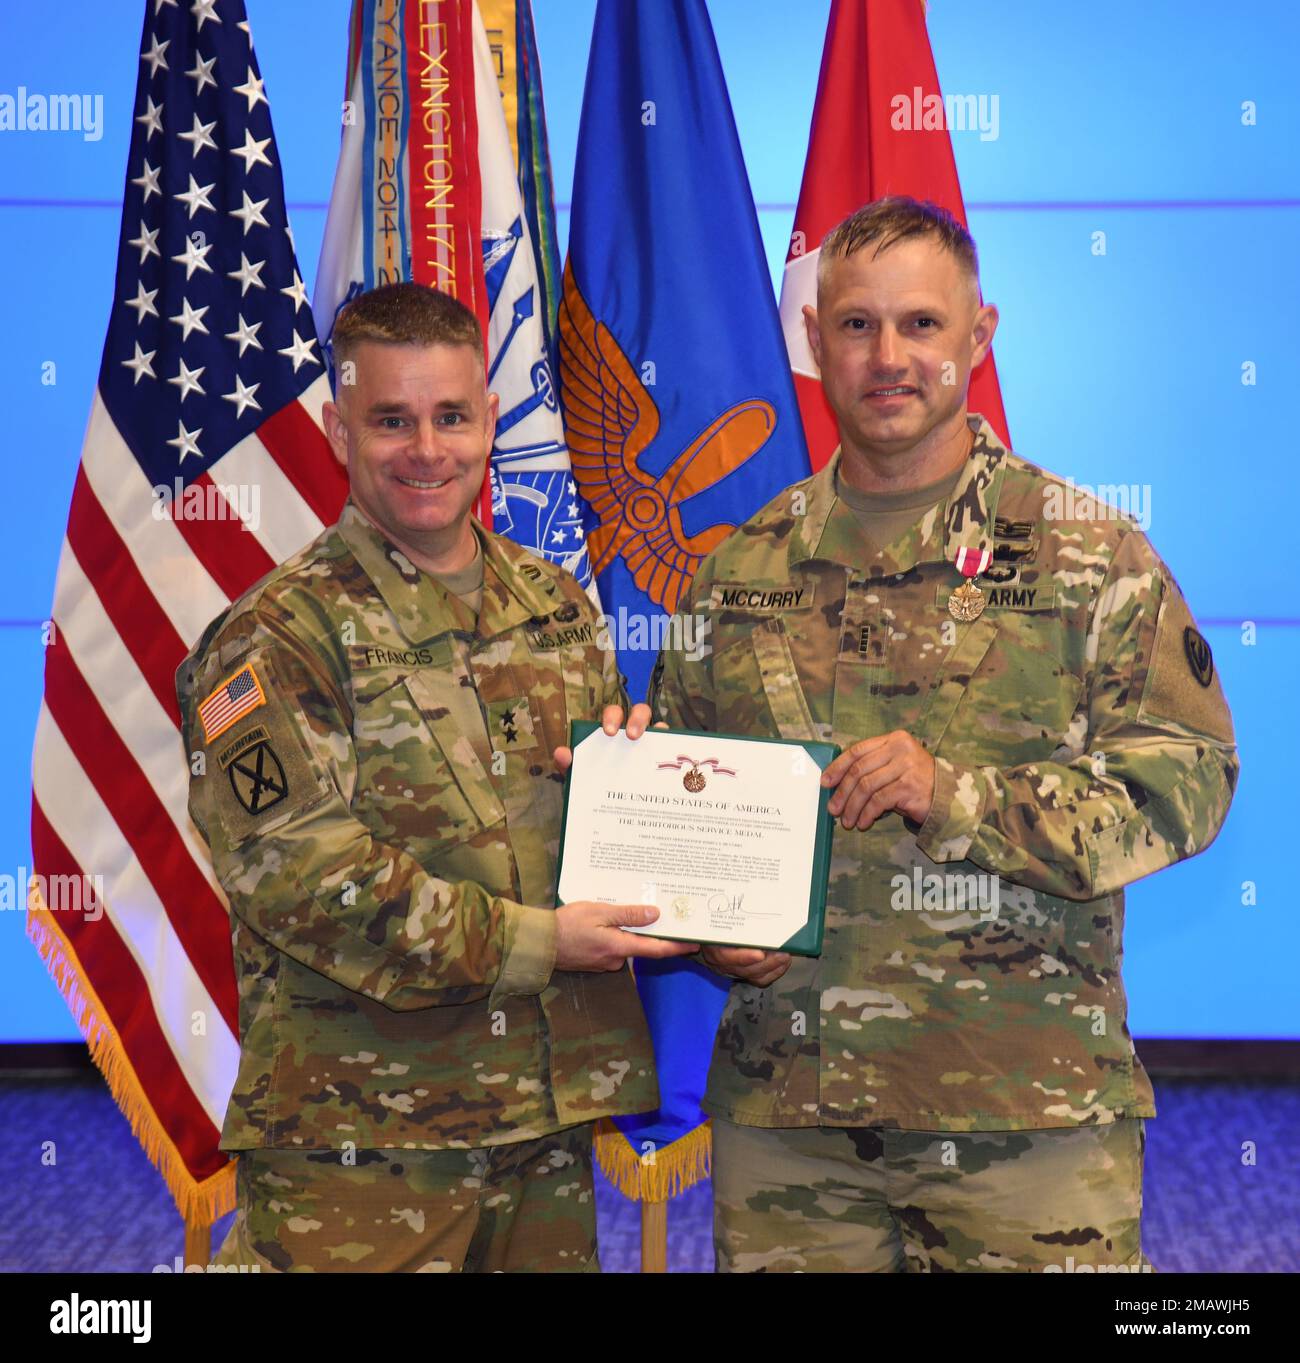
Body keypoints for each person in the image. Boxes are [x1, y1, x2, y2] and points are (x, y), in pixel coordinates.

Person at [650, 196, 1238, 1273]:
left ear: (980, 336)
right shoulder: (740, 570)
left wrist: (955, 797)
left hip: (1024, 1117)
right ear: (815, 339)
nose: (888, 356)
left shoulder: (1089, 555)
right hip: (792, 1118)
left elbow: (1187, 781)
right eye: (857, 324)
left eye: (921, 324)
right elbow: (687, 799)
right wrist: (700, 925)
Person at [177, 281, 694, 1273]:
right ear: (338, 429)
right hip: (364, 1149)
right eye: (391, 420)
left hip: (541, 1127)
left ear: (490, 421)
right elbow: (303, 882)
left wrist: (639, 787)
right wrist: (542, 941)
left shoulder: (553, 607)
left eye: (451, 416)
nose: (427, 449)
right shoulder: (274, 637)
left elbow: (582, 838)